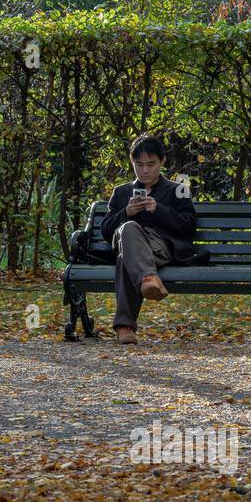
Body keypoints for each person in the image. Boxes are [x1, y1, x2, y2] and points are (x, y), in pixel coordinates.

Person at [101, 132, 199, 344]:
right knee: (127, 230)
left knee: (126, 256)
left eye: (151, 164)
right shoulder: (121, 192)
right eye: (139, 164)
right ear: (132, 162)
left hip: (160, 248)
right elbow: (106, 230)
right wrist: (126, 212)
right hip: (130, 247)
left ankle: (124, 326)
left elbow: (188, 226)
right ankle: (148, 279)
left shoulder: (178, 190)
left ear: (162, 161)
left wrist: (158, 209)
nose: (145, 170)